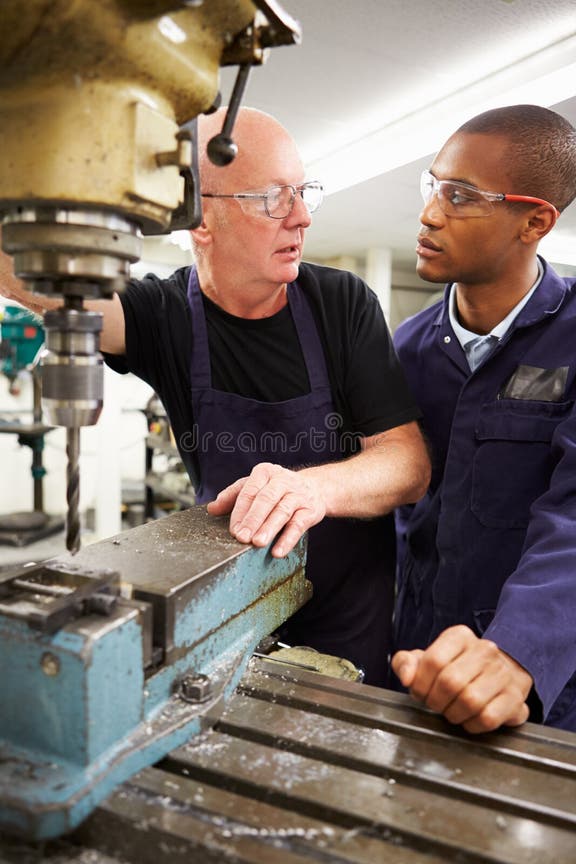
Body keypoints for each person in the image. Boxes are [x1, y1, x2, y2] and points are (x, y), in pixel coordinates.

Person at [0, 107, 430, 686]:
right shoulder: (164, 315)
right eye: (273, 198)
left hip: (345, 630)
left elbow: (407, 465)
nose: (301, 216)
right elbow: (46, 289)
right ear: (200, 219)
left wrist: (310, 488)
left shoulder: (342, 303)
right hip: (225, 619)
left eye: (302, 192)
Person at [391, 104, 576, 732]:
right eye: (433, 185)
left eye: (462, 195)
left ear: (535, 221)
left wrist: (518, 648)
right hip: (419, 660)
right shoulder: (408, 349)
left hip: (539, 680)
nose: (429, 213)